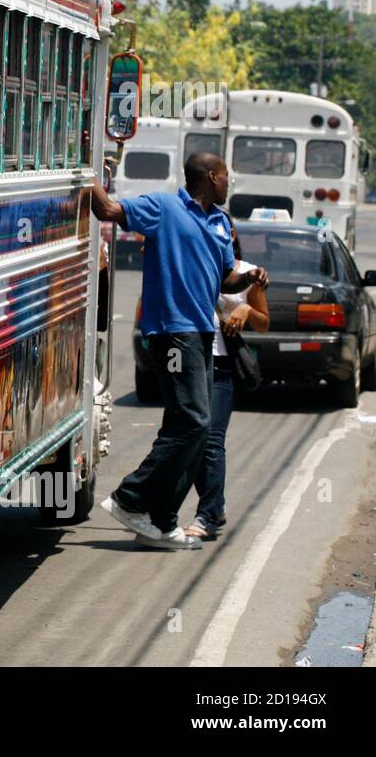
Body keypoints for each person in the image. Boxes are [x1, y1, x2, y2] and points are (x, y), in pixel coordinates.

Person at [88, 152, 268, 549]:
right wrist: (84, 170)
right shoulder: (163, 207)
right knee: (194, 422)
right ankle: (131, 498)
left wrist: (250, 277)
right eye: (225, 175)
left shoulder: (220, 223)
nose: (228, 182)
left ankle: (160, 520)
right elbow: (107, 209)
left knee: (188, 427)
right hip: (172, 332)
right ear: (210, 176)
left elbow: (227, 277)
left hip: (202, 332)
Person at [183, 225, 268, 540]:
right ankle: (215, 506)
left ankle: (207, 515)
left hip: (221, 364)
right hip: (190, 360)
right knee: (189, 438)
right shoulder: (194, 263)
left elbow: (264, 323)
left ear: (231, 234)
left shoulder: (248, 273)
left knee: (211, 439)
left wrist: (245, 308)